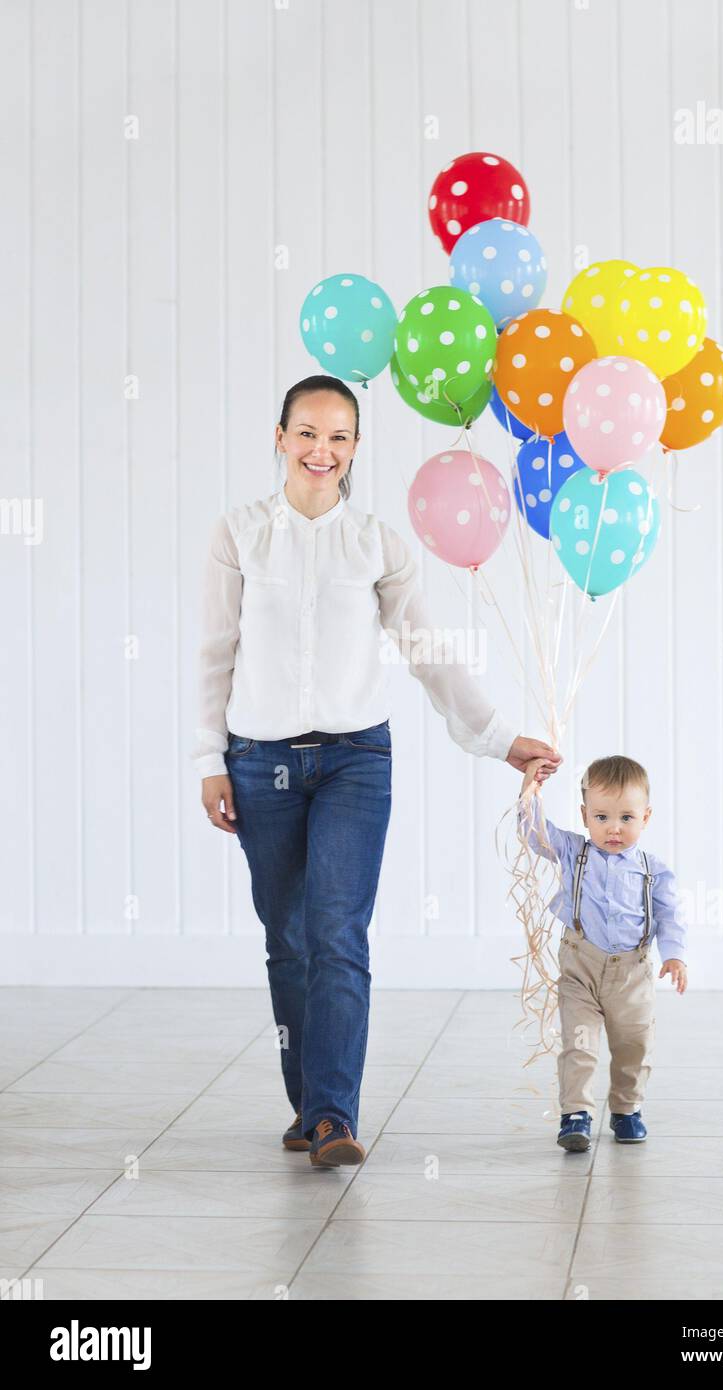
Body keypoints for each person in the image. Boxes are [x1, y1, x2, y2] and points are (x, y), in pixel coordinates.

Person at [192, 373, 562, 1168]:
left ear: (355, 448)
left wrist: (501, 738)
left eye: (338, 437)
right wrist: (208, 759)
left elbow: (427, 652)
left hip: (357, 760)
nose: (321, 450)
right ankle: (306, 1104)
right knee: (287, 938)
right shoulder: (239, 534)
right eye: (307, 433)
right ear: (281, 438)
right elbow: (215, 652)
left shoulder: (379, 546)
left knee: (337, 933)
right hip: (259, 765)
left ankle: (332, 1116)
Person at [518, 753, 687, 1153]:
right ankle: (575, 1113)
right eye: (602, 817)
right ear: (585, 815)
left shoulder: (653, 870)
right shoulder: (574, 852)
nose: (613, 828)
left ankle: (627, 1109)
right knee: (580, 1043)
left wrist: (675, 955)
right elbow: (532, 831)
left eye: (626, 818)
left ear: (645, 817)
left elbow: (670, 915)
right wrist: (530, 789)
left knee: (633, 1046)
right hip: (582, 968)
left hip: (632, 974)